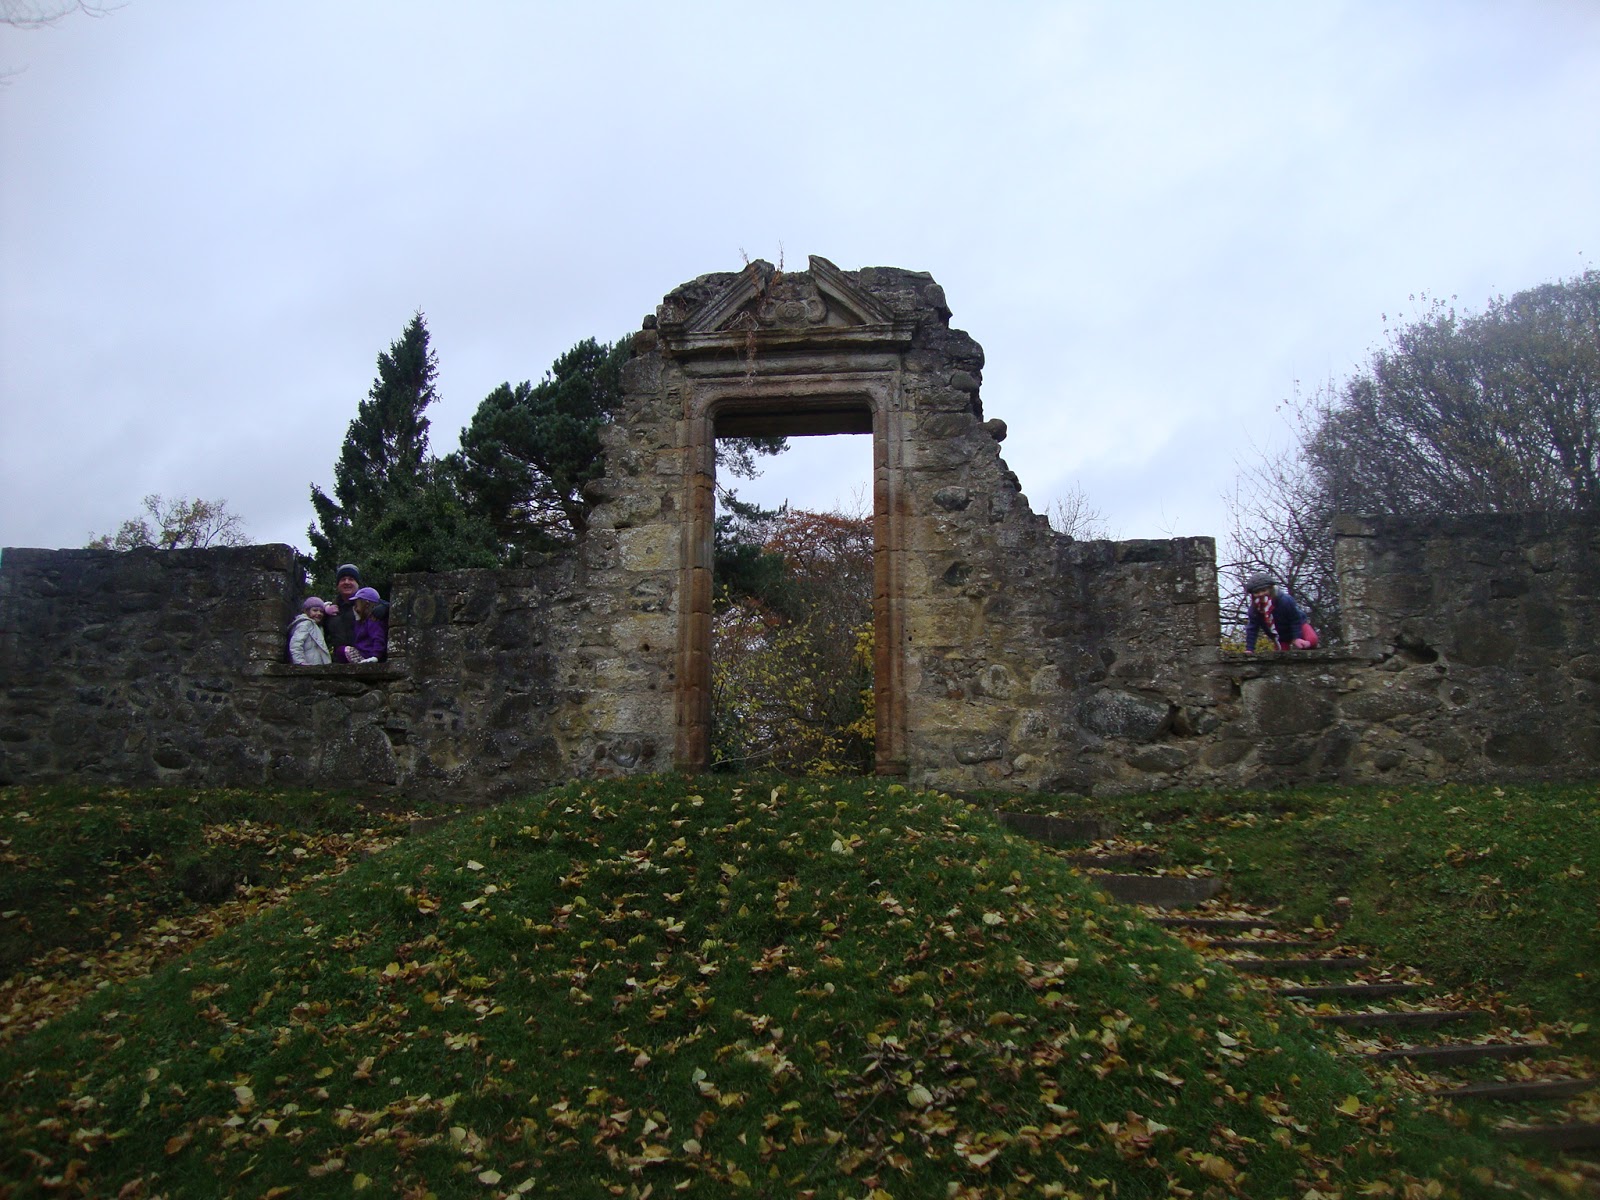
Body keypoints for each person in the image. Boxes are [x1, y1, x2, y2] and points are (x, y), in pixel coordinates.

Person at [323, 564, 390, 663]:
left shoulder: (368, 603)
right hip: (341, 662)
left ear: (358, 584)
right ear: (337, 585)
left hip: (369, 658)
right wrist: (325, 607)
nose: (346, 582)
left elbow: (394, 606)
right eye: (343, 579)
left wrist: (385, 607)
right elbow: (311, 613)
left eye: (351, 579)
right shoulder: (331, 608)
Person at [1243, 572, 1319, 652]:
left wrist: (1296, 637)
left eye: (1263, 590)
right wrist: (1250, 649)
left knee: (1312, 640)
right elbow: (1252, 629)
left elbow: (1295, 619)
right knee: (1281, 654)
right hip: (1280, 635)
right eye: (1256, 592)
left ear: (1271, 589)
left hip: (1298, 625)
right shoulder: (1255, 609)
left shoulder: (1285, 601)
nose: (1261, 594)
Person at [345, 585, 389, 663]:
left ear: (366, 604)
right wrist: (358, 620)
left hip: (368, 654)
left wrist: (376, 656)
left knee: (342, 650)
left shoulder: (373, 620)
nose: (355, 608)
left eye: (357, 604)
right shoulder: (364, 621)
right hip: (365, 652)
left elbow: (378, 637)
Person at [287, 597, 333, 665]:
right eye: (315, 610)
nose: (319, 613)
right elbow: (296, 645)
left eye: (321, 611)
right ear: (306, 611)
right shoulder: (305, 624)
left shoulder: (317, 626)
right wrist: (300, 662)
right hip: (308, 665)